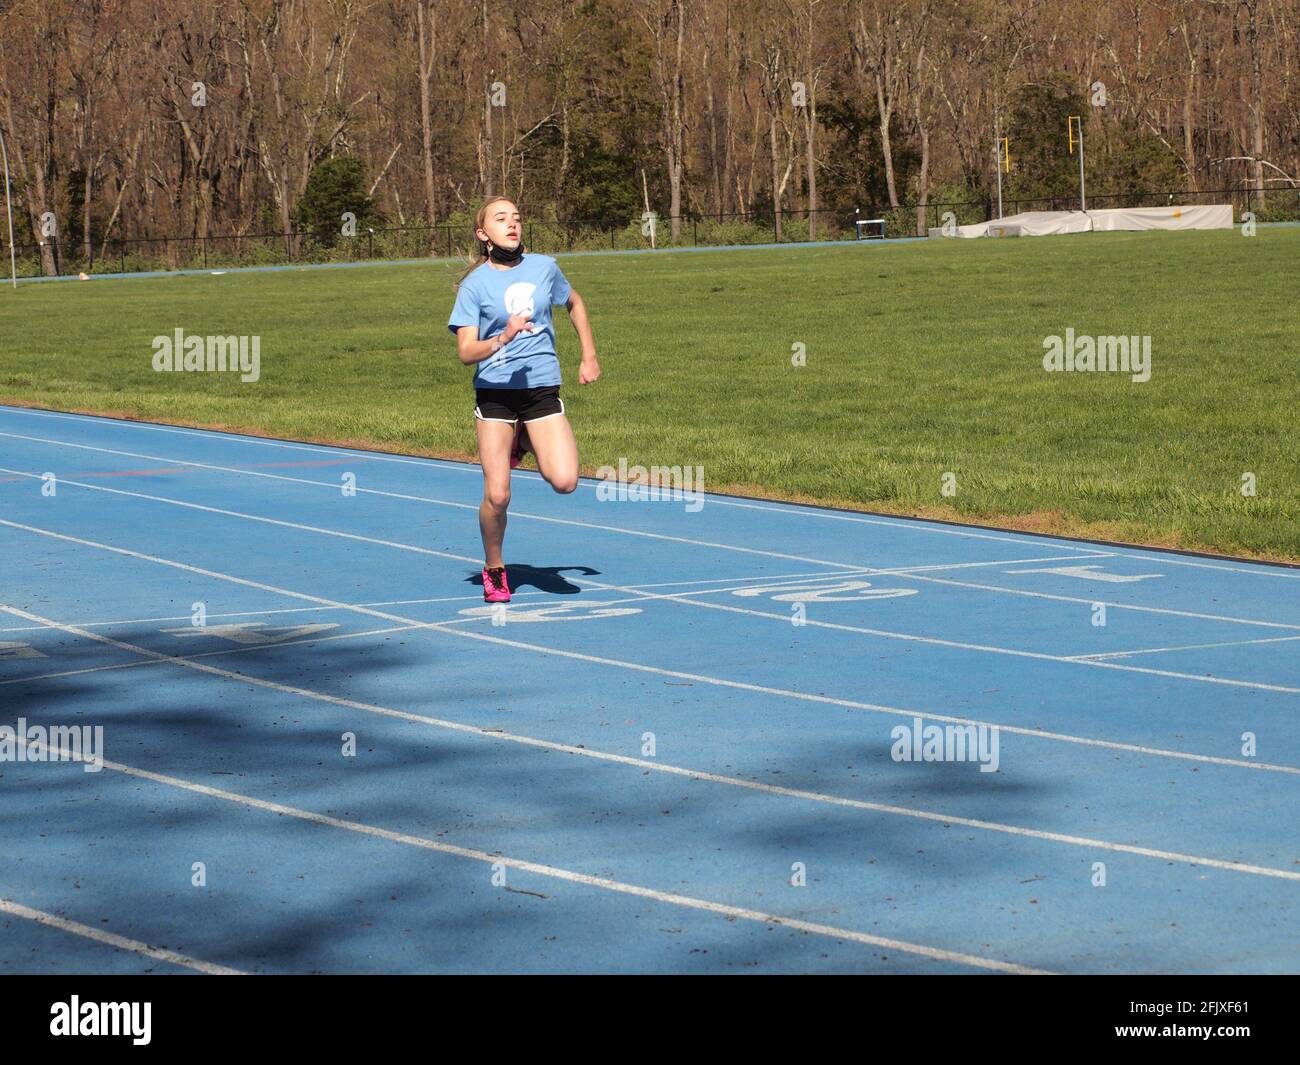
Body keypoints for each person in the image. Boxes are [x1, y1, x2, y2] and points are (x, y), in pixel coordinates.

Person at [448, 197, 601, 603]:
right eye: (501, 219)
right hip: (496, 396)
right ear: (483, 233)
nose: (512, 224)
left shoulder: (544, 268)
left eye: (516, 217)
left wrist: (589, 355)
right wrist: (503, 337)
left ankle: (525, 438)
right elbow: (466, 353)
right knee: (498, 495)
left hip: (540, 392)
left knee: (566, 482)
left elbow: (575, 303)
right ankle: (495, 567)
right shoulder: (474, 285)